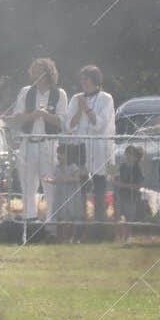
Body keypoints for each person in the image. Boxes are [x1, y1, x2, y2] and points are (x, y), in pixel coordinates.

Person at [3, 58, 70, 221]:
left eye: (40, 71)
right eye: (35, 71)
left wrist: (45, 115)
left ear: (48, 73)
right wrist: (33, 115)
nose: (37, 74)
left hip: (49, 143)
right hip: (28, 142)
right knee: (27, 185)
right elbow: (17, 117)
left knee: (50, 185)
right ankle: (30, 219)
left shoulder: (59, 93)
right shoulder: (26, 91)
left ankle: (51, 221)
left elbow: (62, 122)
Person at [67, 65, 116, 231]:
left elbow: (99, 125)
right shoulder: (76, 99)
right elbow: (69, 126)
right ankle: (80, 224)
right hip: (81, 148)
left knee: (100, 187)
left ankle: (99, 226)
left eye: (86, 79)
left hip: (101, 149)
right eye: (82, 79)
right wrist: (80, 109)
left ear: (94, 80)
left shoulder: (106, 98)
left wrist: (87, 108)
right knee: (80, 187)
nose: (83, 82)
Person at [113, 144, 147, 244]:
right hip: (119, 195)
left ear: (135, 157)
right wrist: (111, 173)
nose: (128, 156)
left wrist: (123, 185)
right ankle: (117, 237)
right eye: (127, 153)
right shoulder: (121, 166)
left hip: (131, 197)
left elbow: (139, 185)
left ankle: (127, 237)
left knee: (129, 218)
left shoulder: (138, 168)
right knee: (117, 216)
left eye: (130, 154)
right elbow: (112, 176)